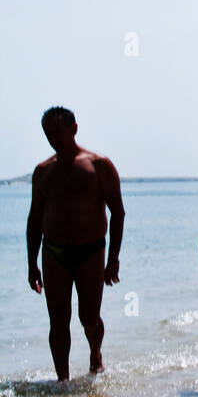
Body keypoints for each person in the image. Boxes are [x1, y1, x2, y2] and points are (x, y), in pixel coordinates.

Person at [26, 107, 125, 380]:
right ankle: (63, 382)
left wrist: (113, 259)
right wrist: (31, 263)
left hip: (90, 251)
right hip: (54, 251)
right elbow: (35, 219)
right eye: (48, 134)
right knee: (58, 321)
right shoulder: (43, 171)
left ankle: (95, 355)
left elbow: (118, 212)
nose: (53, 138)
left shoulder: (99, 165)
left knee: (88, 318)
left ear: (74, 128)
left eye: (57, 132)